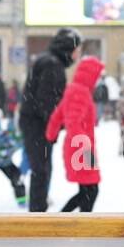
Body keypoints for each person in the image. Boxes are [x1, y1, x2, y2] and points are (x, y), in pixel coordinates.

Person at [20, 28, 83, 212]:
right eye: (77, 50)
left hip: (35, 124)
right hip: (38, 126)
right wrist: (56, 126)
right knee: (41, 171)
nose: (78, 55)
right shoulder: (52, 65)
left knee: (41, 170)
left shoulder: (48, 61)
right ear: (68, 48)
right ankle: (38, 217)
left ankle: (38, 212)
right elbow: (47, 102)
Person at [45, 56, 105, 213]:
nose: (98, 80)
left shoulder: (75, 90)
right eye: (97, 76)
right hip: (81, 149)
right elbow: (73, 124)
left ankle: (69, 222)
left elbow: (57, 116)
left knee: (87, 191)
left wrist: (51, 135)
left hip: (79, 147)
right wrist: (85, 151)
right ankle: (77, 225)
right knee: (90, 191)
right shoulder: (80, 93)